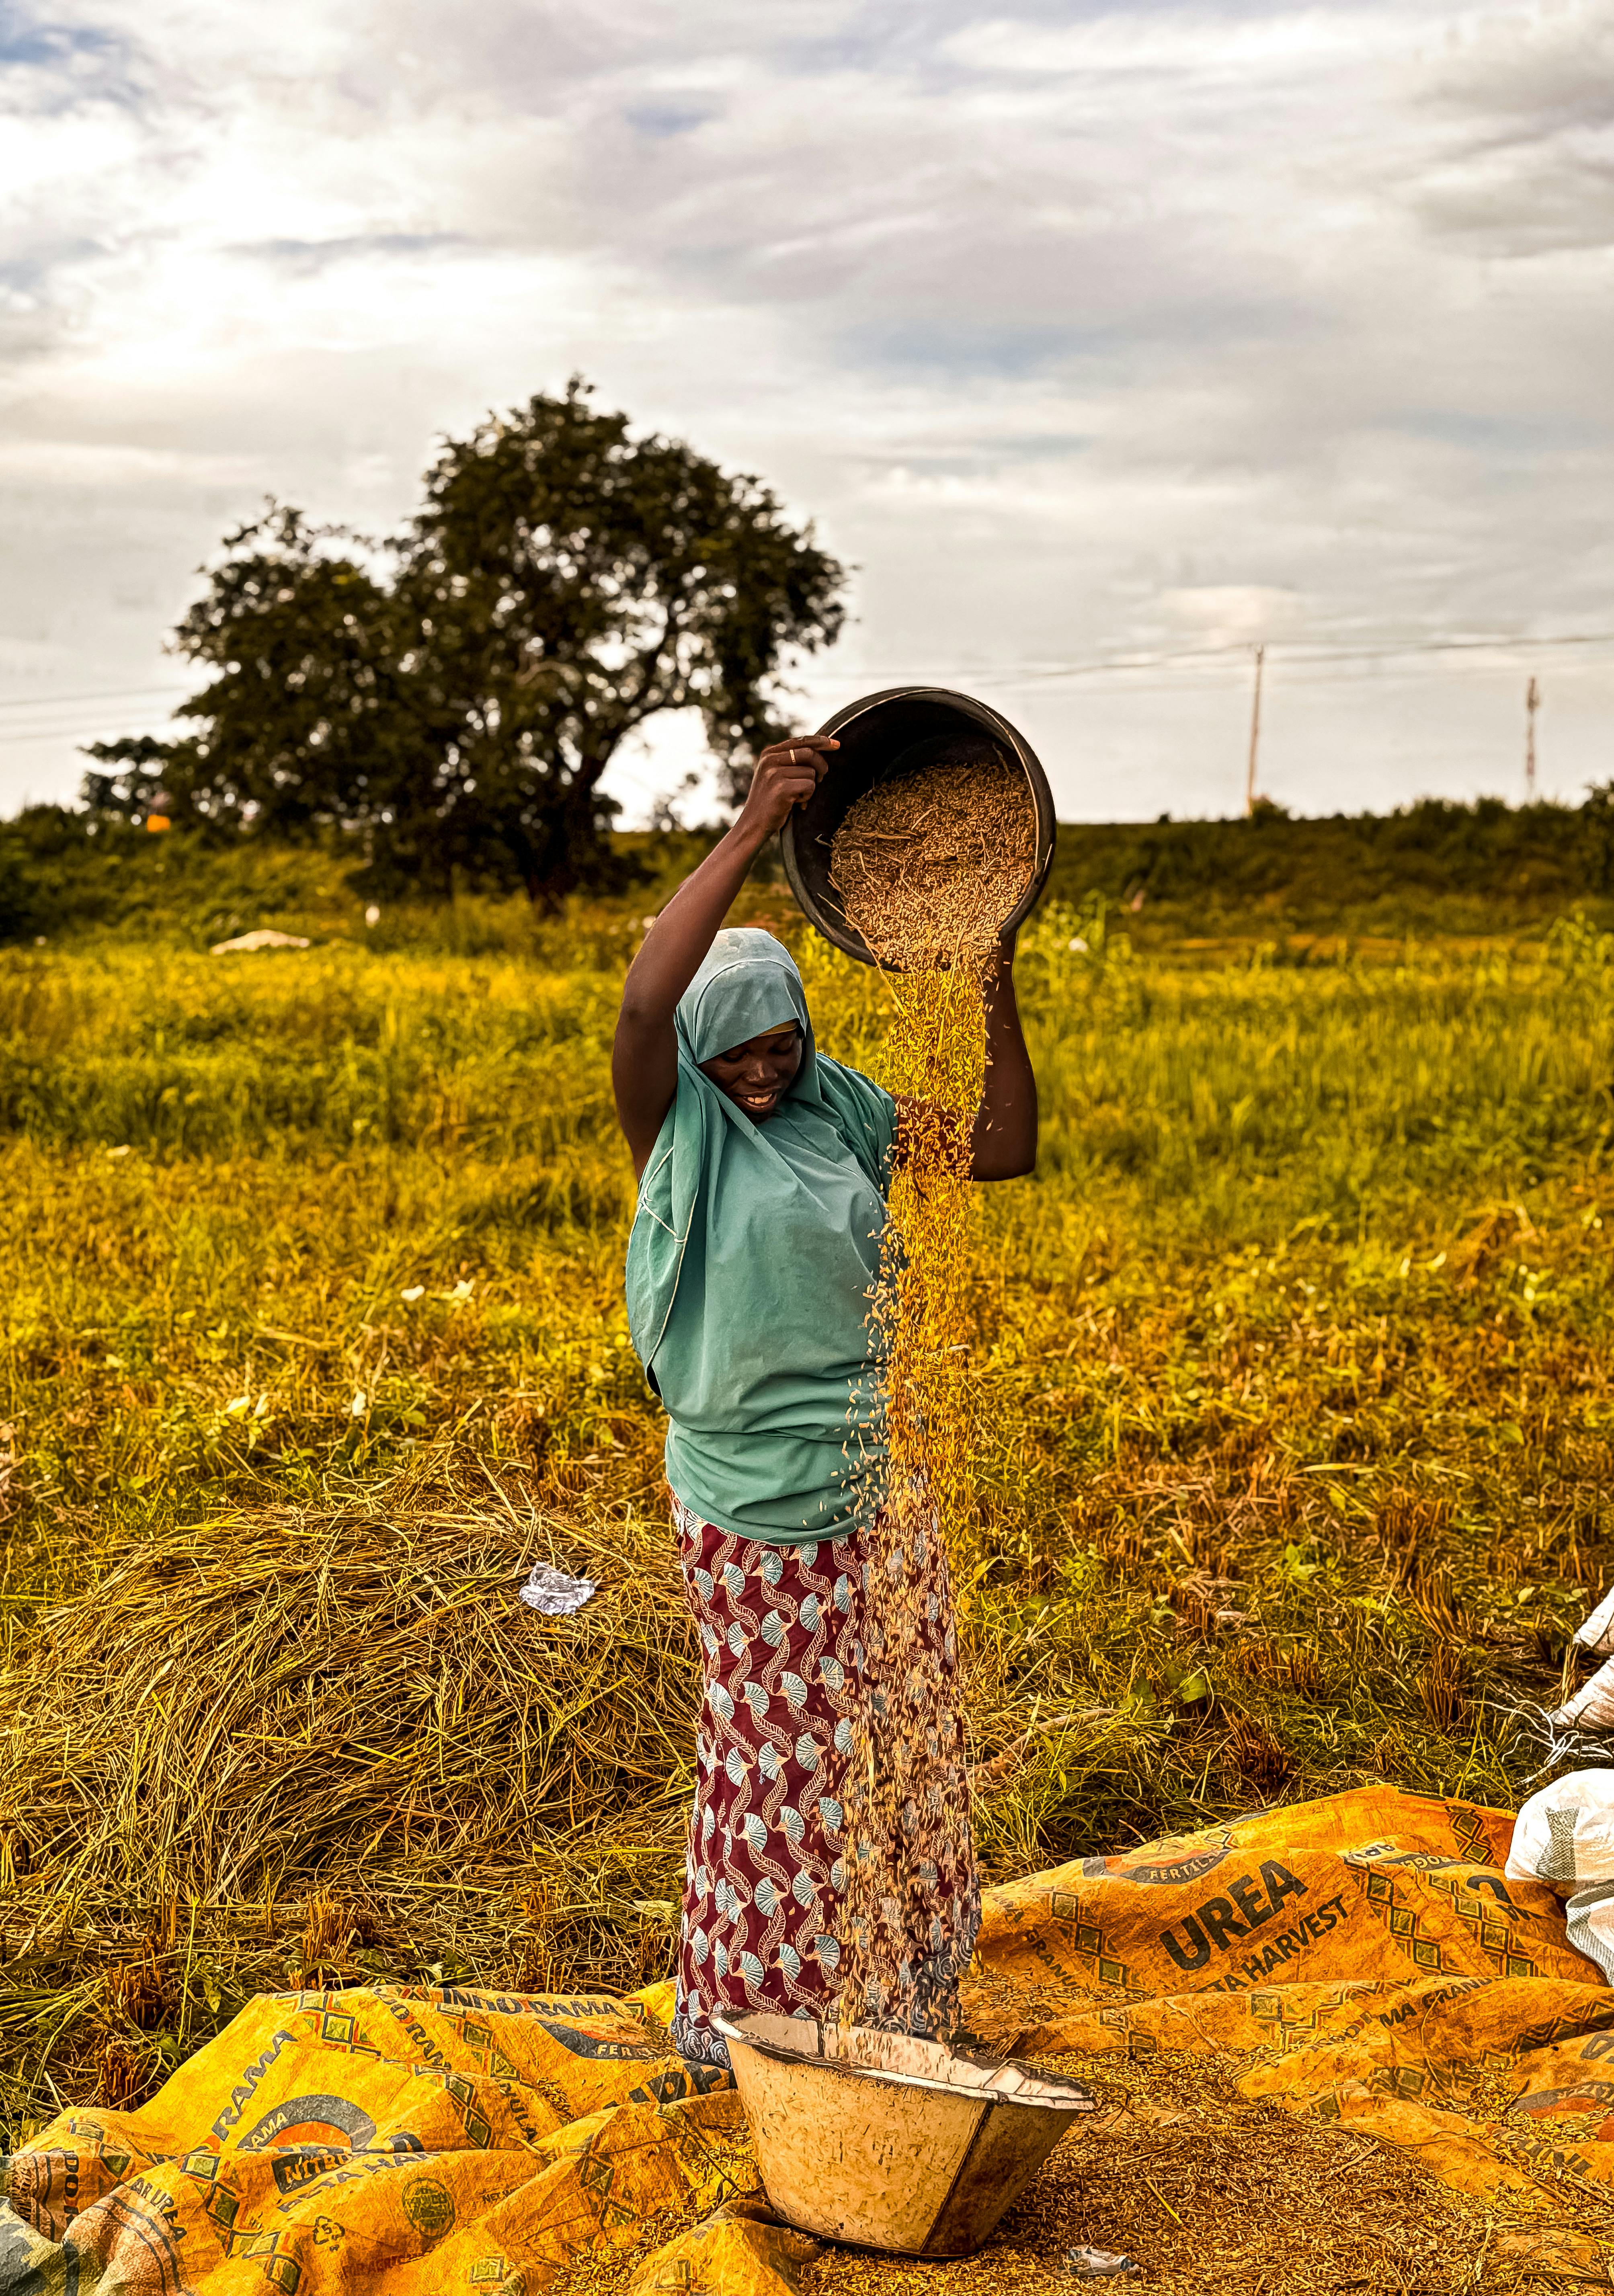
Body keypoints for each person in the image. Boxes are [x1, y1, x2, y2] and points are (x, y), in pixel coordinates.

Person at [613, 732, 1038, 2066]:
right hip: (753, 1510)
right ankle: (748, 2031)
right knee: (774, 1780)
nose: (759, 1073)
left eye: (779, 1048)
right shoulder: (674, 1118)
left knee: (904, 1751)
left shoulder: (840, 1109)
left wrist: (992, 964)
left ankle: (893, 2014)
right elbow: (640, 1005)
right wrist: (748, 830)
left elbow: (1002, 1146)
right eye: (734, 1054)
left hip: (878, 1479)